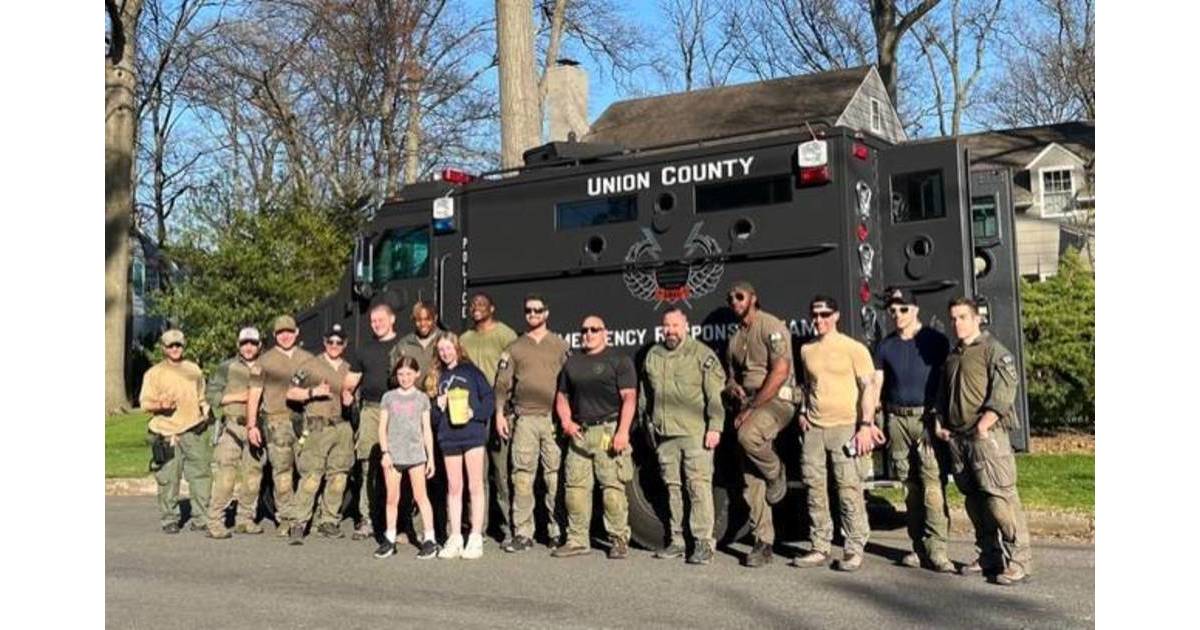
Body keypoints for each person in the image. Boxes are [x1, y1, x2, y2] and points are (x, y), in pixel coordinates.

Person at [935, 296, 1032, 586]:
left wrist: (983, 426)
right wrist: (940, 422)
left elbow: (1004, 392)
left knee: (1000, 500)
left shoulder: (994, 351)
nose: (957, 323)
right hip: (958, 440)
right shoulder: (953, 355)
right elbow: (943, 394)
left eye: (963, 317)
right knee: (974, 502)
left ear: (977, 318)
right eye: (953, 318)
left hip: (986, 438)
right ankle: (990, 553)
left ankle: (1020, 561)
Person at [791, 295, 881, 572]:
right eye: (815, 315)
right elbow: (807, 385)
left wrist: (865, 425)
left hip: (845, 427)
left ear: (837, 316)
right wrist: (804, 412)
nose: (819, 320)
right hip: (815, 429)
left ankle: (854, 548)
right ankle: (819, 545)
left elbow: (869, 388)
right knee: (814, 488)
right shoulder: (807, 350)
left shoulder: (854, 349)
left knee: (848, 489)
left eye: (825, 314)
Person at [873, 288, 954, 572]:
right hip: (897, 419)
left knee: (933, 486)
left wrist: (940, 418)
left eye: (903, 309)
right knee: (910, 487)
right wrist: (870, 420)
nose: (897, 315)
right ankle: (918, 547)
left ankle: (938, 550)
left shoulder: (935, 341)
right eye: (893, 310)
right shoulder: (885, 346)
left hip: (926, 419)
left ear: (915, 310)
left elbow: (947, 383)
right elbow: (876, 384)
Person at [639, 308, 726, 565]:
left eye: (675, 325)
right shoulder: (653, 356)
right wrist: (648, 426)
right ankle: (677, 541)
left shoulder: (701, 355)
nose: (670, 330)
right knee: (672, 489)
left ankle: (703, 543)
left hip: (694, 433)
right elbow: (646, 396)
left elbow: (714, 396)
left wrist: (715, 427)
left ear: (686, 326)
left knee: (698, 487)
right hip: (665, 435)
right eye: (666, 326)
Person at [552, 315, 637, 560]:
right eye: (584, 330)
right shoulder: (572, 363)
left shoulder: (618, 360)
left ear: (605, 333)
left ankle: (618, 539)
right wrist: (566, 421)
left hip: (607, 431)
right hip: (580, 434)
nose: (588, 333)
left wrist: (622, 432)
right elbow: (561, 397)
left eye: (594, 329)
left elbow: (629, 397)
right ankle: (578, 540)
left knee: (611, 489)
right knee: (575, 490)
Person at [724, 281, 796, 568]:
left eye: (739, 296)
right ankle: (763, 541)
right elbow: (731, 376)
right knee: (751, 479)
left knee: (747, 436)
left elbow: (781, 371)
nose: (735, 301)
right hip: (748, 403)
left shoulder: (771, 326)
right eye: (730, 298)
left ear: (753, 298)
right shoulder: (735, 337)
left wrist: (752, 406)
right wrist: (733, 388)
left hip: (776, 401)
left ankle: (777, 470)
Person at [493, 293, 570, 553]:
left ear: (546, 313)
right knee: (523, 478)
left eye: (538, 310)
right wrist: (499, 414)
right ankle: (523, 532)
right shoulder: (514, 348)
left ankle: (557, 531)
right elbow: (502, 385)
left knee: (554, 477)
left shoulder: (560, 345)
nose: (533, 315)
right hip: (524, 419)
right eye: (528, 311)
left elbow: (569, 384)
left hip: (552, 421)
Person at [458, 293, 519, 546]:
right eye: (473, 305)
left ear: (492, 308)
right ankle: (477, 529)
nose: (476, 309)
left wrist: (503, 410)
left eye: (481, 305)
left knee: (502, 474)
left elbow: (513, 372)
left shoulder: (506, 335)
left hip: (498, 413)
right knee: (476, 476)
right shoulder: (465, 339)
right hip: (472, 416)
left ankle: (508, 528)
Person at [285, 324, 354, 545]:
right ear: (324, 342)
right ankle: (298, 522)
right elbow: (291, 392)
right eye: (330, 341)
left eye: (339, 342)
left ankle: (329, 520)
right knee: (312, 476)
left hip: (341, 426)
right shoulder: (311, 365)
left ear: (345, 344)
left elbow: (354, 396)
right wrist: (312, 392)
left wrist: (350, 401)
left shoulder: (348, 368)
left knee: (339, 476)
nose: (334, 346)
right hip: (317, 426)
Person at [139, 328, 212, 534]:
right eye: (170, 345)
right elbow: (144, 404)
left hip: (193, 430)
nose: (175, 348)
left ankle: (201, 518)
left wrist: (205, 411)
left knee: (201, 475)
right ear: (163, 348)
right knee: (168, 478)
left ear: (183, 346)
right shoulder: (154, 373)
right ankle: (169, 518)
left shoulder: (193, 369)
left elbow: (201, 396)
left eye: (178, 345)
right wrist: (160, 404)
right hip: (166, 433)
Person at [428, 333, 494, 559]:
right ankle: (454, 536)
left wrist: (475, 413)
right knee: (454, 488)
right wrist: (437, 406)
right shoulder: (439, 377)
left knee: (475, 486)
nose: (445, 353)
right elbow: (435, 419)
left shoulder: (472, 372)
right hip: (449, 438)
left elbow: (489, 399)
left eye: (449, 348)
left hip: (472, 435)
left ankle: (475, 537)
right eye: (441, 350)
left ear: (457, 348)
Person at [247, 315, 314, 535]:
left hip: (305, 421)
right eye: (280, 332)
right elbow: (254, 395)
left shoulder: (309, 359)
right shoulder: (264, 362)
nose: (285, 335)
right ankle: (286, 518)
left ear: (296, 333)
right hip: (277, 422)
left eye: (289, 331)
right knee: (282, 472)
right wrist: (251, 426)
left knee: (309, 470)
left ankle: (304, 516)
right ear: (275, 336)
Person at [343, 302, 403, 541]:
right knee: (368, 464)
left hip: (397, 409)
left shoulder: (403, 347)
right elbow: (350, 381)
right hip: (370, 411)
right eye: (373, 321)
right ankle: (366, 518)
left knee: (399, 465)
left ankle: (400, 521)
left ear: (392, 320)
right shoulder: (363, 351)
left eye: (381, 320)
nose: (376, 324)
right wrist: (346, 393)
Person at [373, 356, 439, 560]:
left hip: (416, 455)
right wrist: (385, 453)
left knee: (421, 497)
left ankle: (429, 539)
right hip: (393, 456)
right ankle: (389, 539)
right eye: (401, 374)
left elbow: (426, 429)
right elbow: (382, 427)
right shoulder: (389, 397)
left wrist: (431, 458)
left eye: (409, 374)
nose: (404, 378)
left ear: (417, 374)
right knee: (392, 499)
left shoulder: (421, 398)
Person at [205, 327, 267, 538]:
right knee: (226, 476)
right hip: (232, 427)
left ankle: (245, 519)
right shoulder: (226, 367)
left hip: (257, 428)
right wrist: (240, 397)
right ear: (238, 345)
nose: (248, 347)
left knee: (253, 476)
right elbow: (212, 396)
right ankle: (215, 522)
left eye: (252, 343)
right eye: (244, 343)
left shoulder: (266, 367)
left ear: (259, 345)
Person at [389, 301, 446, 386]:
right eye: (419, 320)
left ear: (435, 318)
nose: (423, 324)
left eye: (427, 319)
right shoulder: (404, 344)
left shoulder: (445, 340)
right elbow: (393, 375)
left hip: (438, 395)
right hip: (411, 397)